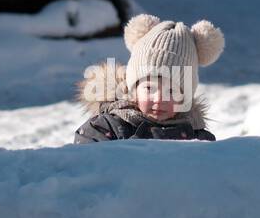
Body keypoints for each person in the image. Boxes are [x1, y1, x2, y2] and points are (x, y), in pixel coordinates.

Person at [75, 14, 224, 143]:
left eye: (171, 91)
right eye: (149, 88)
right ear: (133, 90)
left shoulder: (196, 137)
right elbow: (88, 163)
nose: (159, 99)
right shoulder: (107, 128)